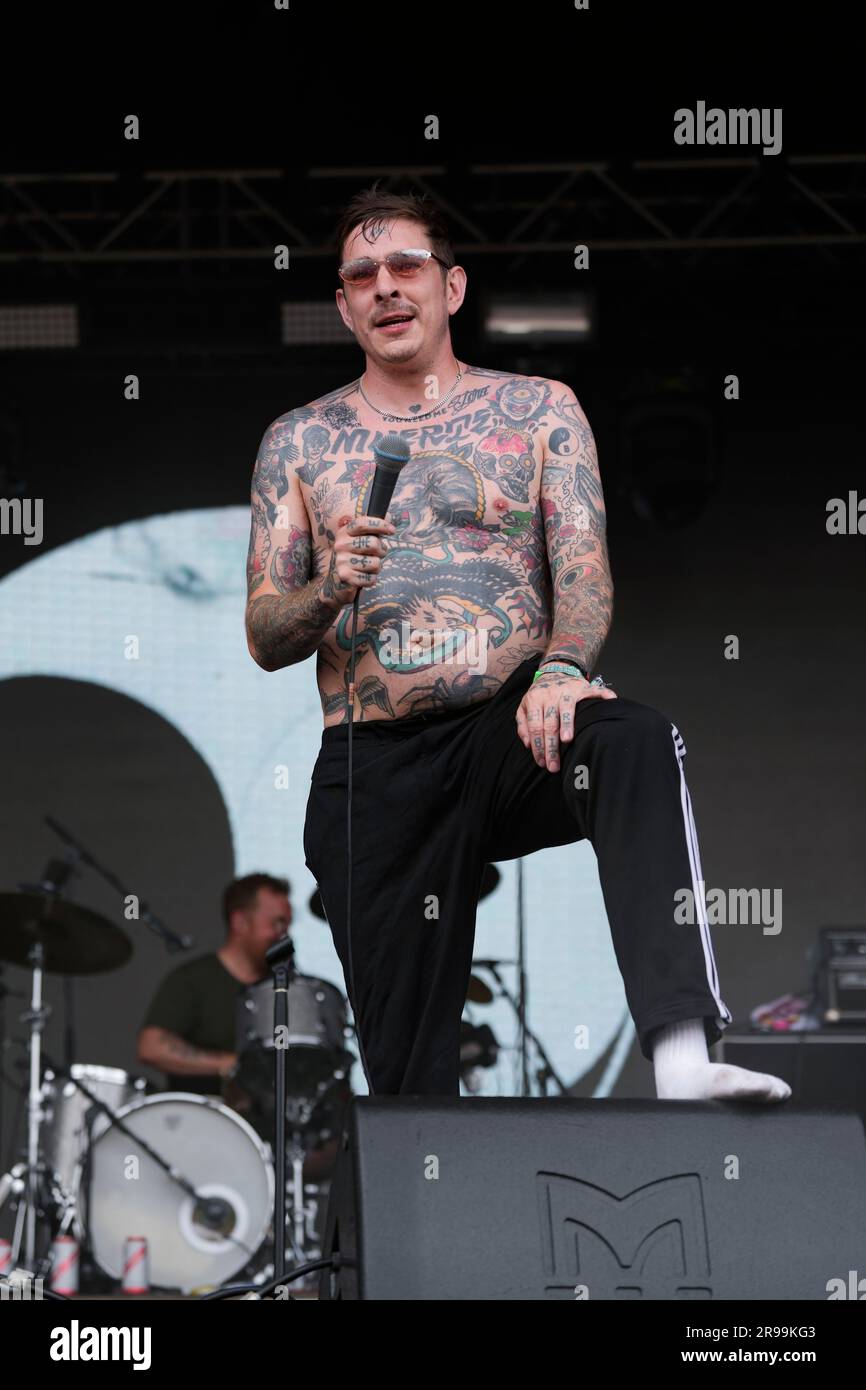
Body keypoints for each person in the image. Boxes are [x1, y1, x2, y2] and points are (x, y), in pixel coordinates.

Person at [244, 184, 791, 1106]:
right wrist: (329, 586)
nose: (386, 286)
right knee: (410, 1087)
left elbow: (582, 573)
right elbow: (265, 634)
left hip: (512, 730)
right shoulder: (299, 441)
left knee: (631, 741)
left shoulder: (540, 410)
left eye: (406, 265)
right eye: (363, 274)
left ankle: (684, 1056)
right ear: (342, 304)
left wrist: (564, 670)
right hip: (371, 763)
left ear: (451, 286)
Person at [136, 873, 293, 1097]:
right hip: (205, 1123)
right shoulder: (193, 979)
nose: (284, 934)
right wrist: (234, 1065)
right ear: (240, 922)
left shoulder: (285, 986)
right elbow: (151, 1047)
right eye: (276, 923)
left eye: (286, 924)